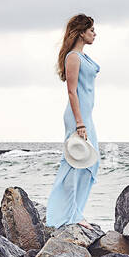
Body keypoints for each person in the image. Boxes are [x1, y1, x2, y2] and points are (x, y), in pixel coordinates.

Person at [45, 13, 100, 228]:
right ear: (80, 32)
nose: (94, 34)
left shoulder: (81, 56)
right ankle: (68, 216)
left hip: (86, 116)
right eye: (91, 30)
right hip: (78, 117)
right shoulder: (73, 57)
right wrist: (79, 123)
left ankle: (75, 212)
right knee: (75, 163)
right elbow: (71, 91)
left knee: (89, 162)